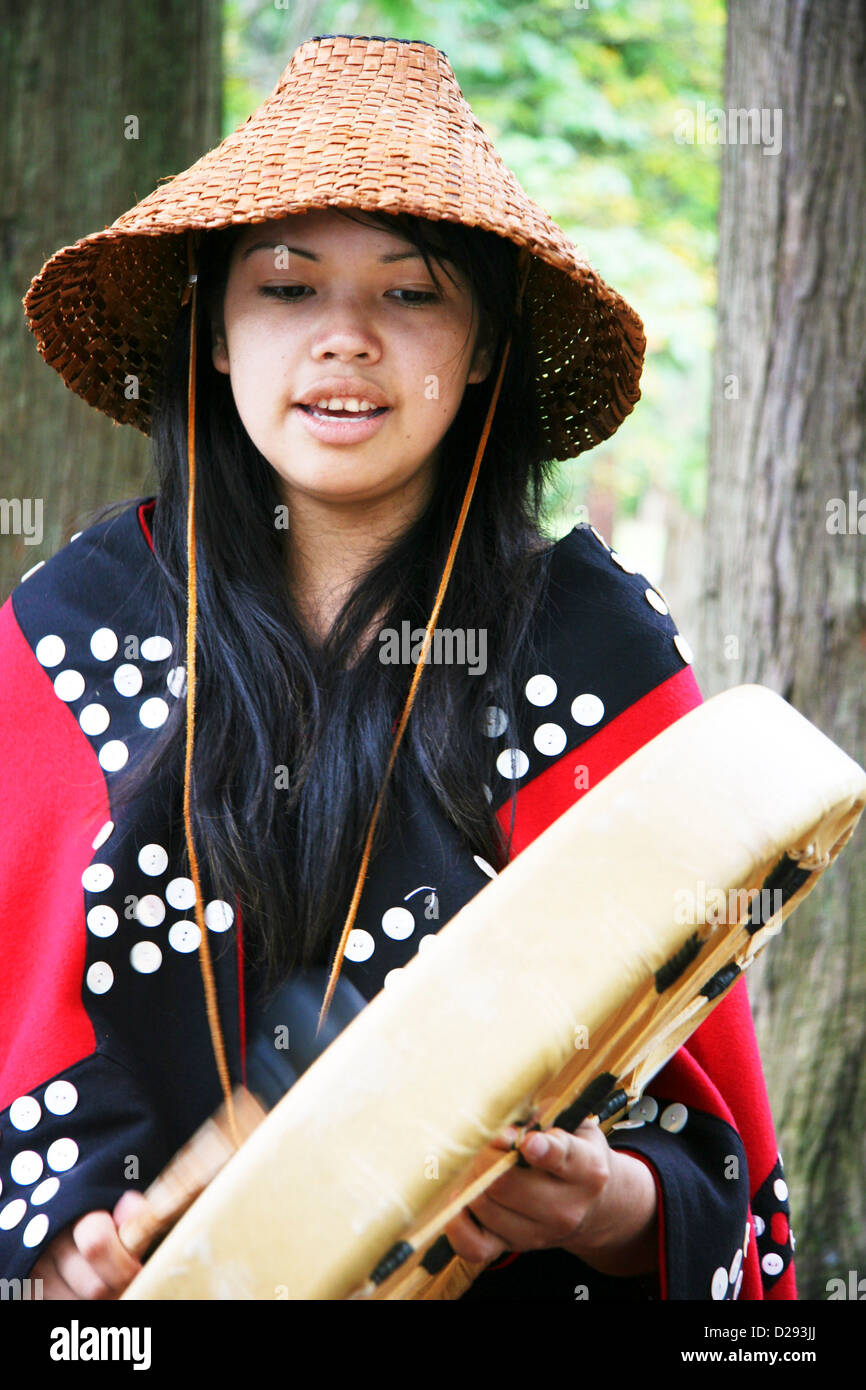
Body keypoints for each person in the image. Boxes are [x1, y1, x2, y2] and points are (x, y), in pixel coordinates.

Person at [0, 33, 795, 1301]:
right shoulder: (62, 634)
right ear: (211, 332)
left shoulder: (593, 648)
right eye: (287, 286)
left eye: (412, 294)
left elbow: (716, 1181)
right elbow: (23, 1098)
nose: (347, 340)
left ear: (482, 350)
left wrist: (603, 1205)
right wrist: (58, 1276)